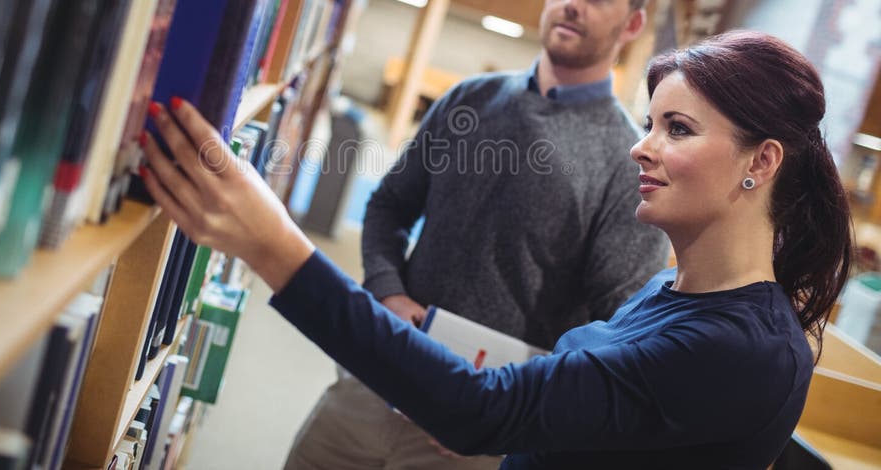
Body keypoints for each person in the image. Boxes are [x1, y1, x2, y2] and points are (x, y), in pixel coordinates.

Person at [140, 28, 852, 468]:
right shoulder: (673, 292)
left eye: (678, 129)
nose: (642, 147)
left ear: (760, 162)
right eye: (650, 123)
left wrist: (273, 247)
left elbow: (479, 409)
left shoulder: (740, 350)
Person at [281, 0, 670, 469]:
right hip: (374, 382)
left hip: (472, 437)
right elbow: (389, 206)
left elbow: (619, 329)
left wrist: (517, 414)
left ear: (632, 23)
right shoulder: (470, 100)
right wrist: (389, 290)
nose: (572, 3)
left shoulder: (628, 162)